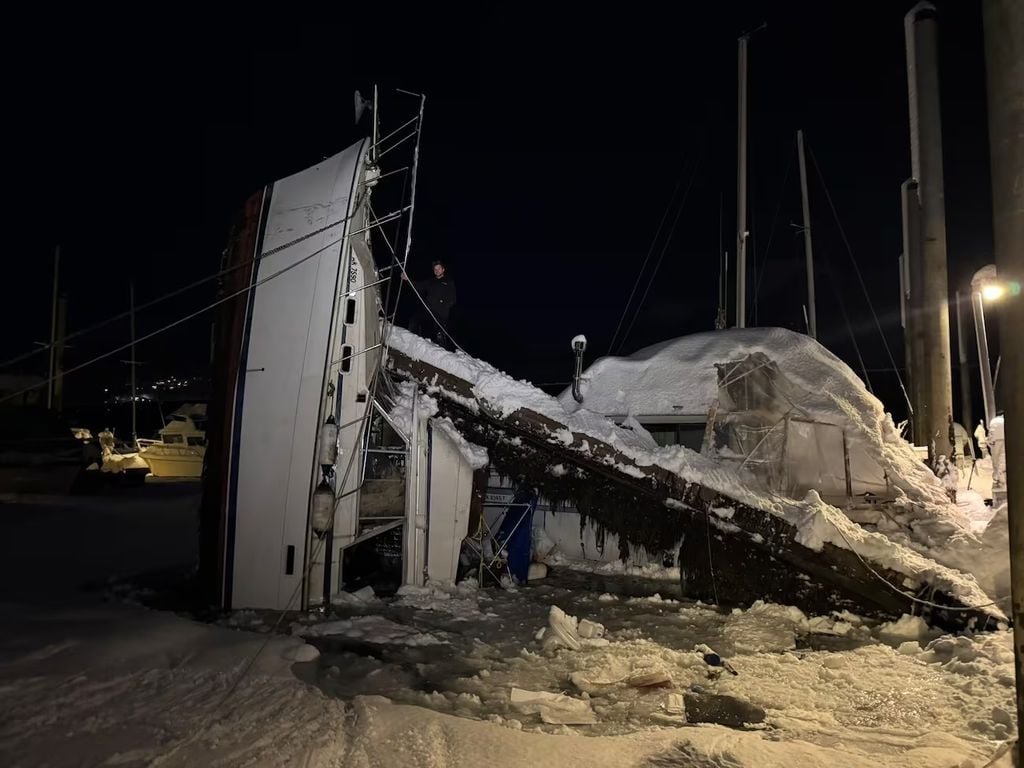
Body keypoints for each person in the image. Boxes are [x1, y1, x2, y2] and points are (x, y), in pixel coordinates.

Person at [403, 260, 457, 348]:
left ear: (443, 269)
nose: (437, 271)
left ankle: (442, 350)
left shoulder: (448, 282)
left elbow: (453, 299)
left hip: (440, 313)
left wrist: (443, 304)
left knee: (440, 333)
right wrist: (407, 279)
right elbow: (418, 286)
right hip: (428, 310)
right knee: (415, 320)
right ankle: (411, 341)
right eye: (435, 269)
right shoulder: (431, 281)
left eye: (438, 269)